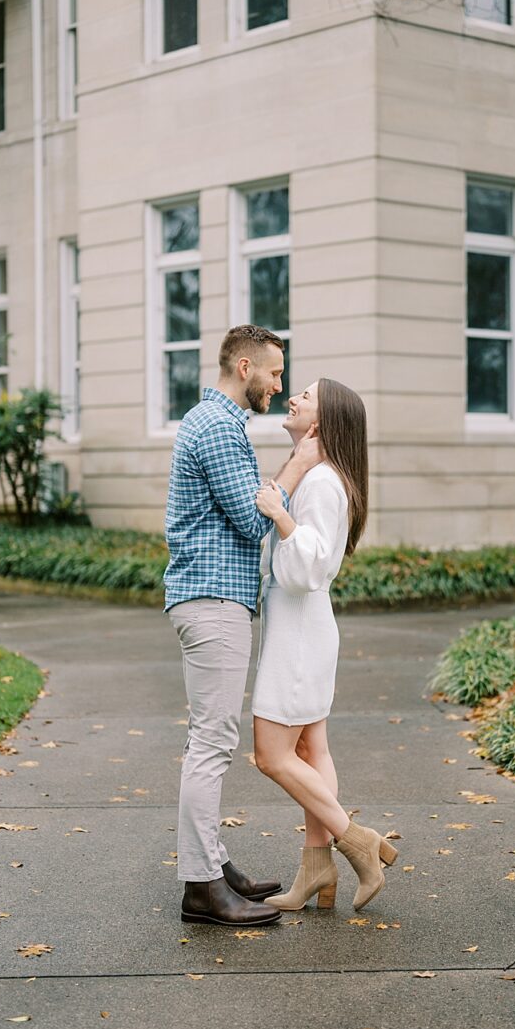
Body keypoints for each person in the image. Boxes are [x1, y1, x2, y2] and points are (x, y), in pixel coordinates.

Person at [164, 324, 323, 927]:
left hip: (209, 599)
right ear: (246, 367)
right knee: (211, 744)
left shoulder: (215, 424)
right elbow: (252, 519)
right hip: (213, 603)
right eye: (276, 373)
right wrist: (300, 461)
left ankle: (213, 864)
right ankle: (202, 888)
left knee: (205, 741)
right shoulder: (218, 427)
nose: (279, 385)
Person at [252, 378, 398, 913]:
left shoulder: (321, 483)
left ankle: (357, 842)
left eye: (305, 396)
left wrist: (278, 511)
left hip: (299, 635)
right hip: (307, 630)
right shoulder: (323, 476)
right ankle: (317, 871)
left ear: (320, 422)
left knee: (272, 755)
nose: (291, 396)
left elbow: (307, 569)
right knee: (313, 750)